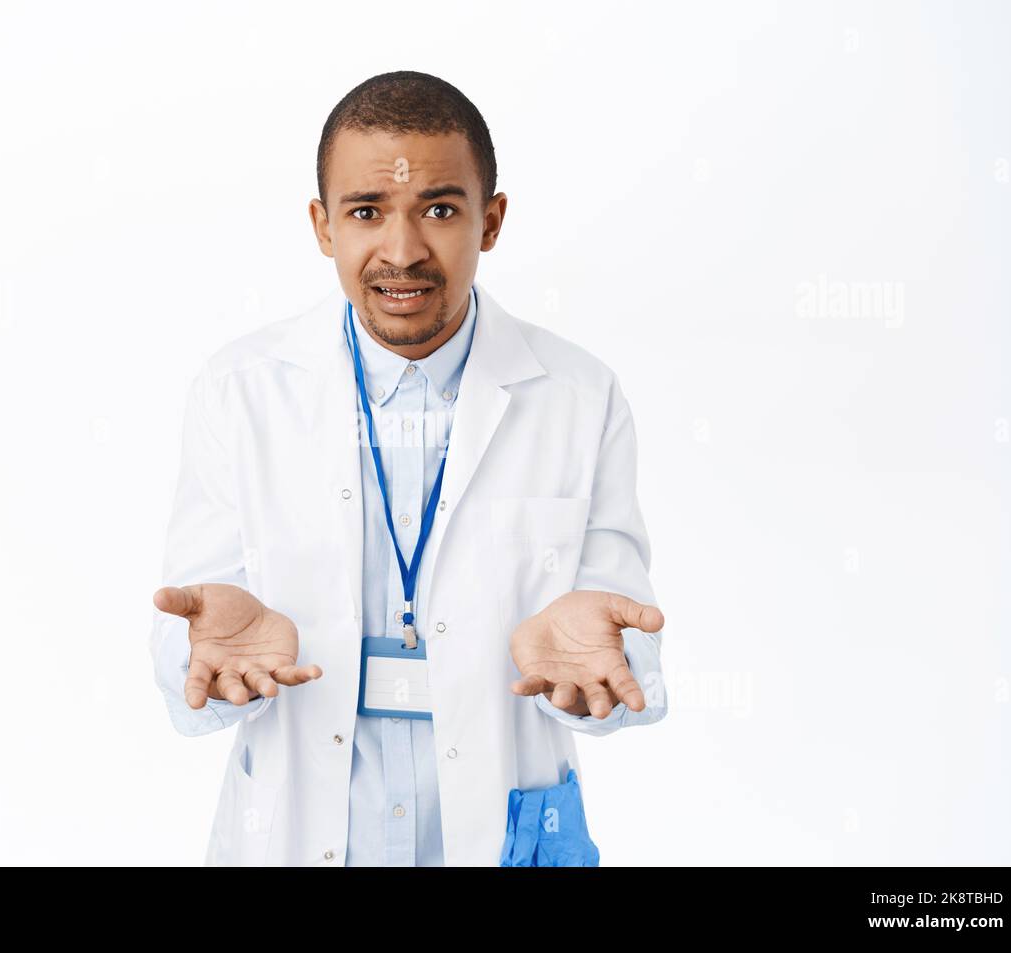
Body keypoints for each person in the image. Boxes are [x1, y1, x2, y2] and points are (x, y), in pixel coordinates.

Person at [149, 71, 667, 867]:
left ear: (490, 221)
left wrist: (603, 671)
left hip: (498, 828)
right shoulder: (241, 391)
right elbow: (189, 641)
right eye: (366, 212)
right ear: (323, 227)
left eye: (440, 208)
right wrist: (201, 658)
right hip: (306, 832)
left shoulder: (578, 396)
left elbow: (616, 659)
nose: (402, 251)